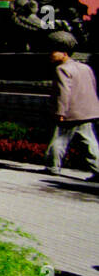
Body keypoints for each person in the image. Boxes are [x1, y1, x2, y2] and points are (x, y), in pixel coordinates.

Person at [45, 46, 99, 181]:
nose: (50, 55)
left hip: (71, 112)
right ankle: (98, 169)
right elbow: (93, 86)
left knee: (59, 139)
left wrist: (60, 112)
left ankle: (53, 167)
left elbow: (63, 93)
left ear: (64, 54)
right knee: (90, 141)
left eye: (53, 52)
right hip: (87, 111)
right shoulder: (85, 67)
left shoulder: (61, 69)